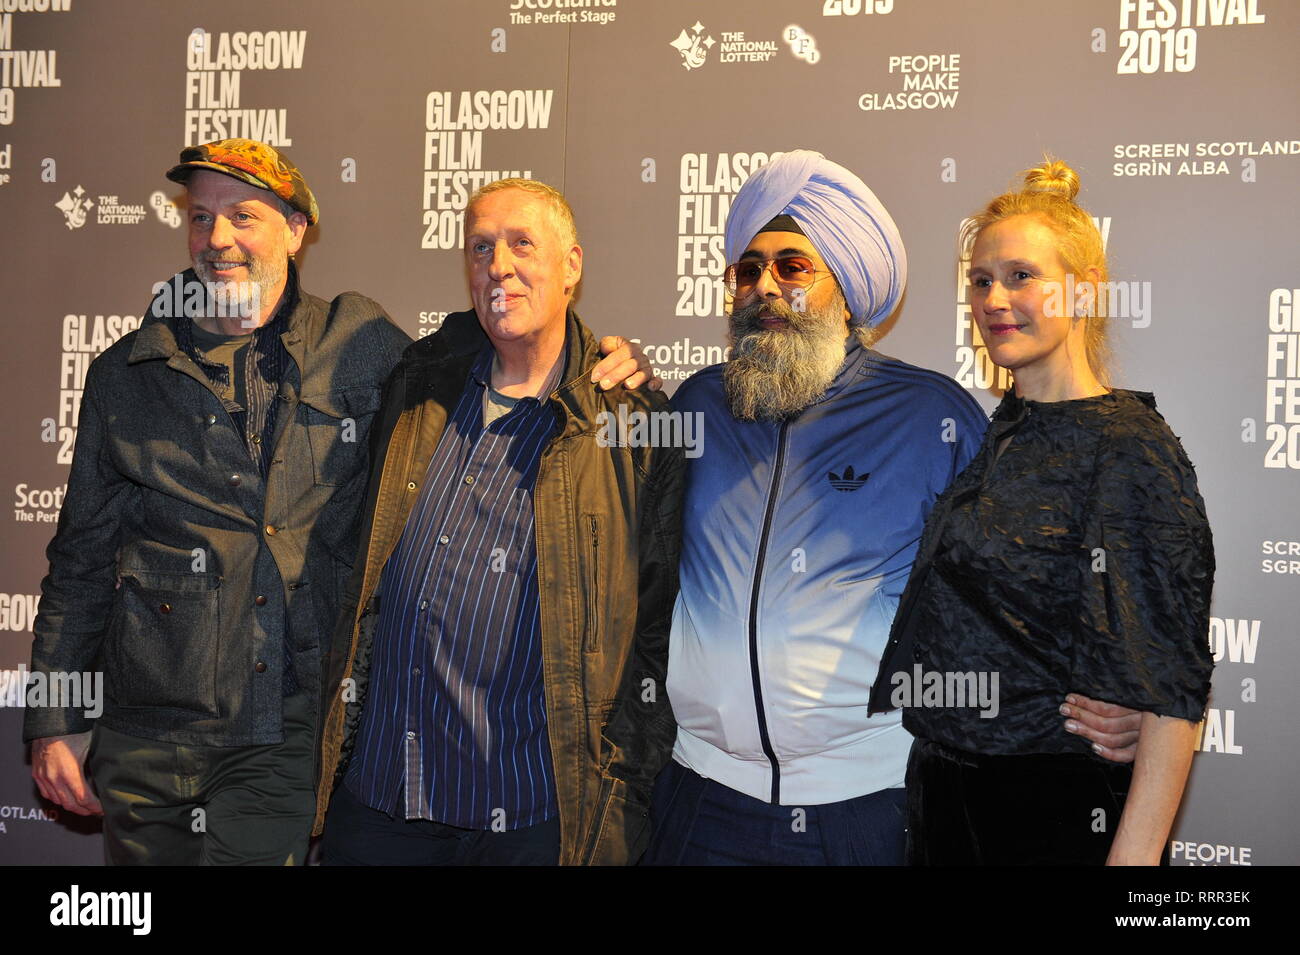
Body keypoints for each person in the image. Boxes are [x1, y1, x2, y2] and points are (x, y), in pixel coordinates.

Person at [24, 141, 655, 866]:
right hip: (148, 729)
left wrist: (603, 359)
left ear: (296, 230)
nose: (219, 238)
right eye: (201, 217)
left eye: (243, 216)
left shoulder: (360, 344)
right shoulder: (126, 372)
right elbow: (80, 557)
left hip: (283, 728)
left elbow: (492, 344)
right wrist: (55, 715)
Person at [643, 149, 1137, 866]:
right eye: (747, 270)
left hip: (864, 809)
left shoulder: (929, 415)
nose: (764, 287)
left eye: (792, 267)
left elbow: (1020, 584)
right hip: (698, 799)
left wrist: (1108, 692)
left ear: (847, 292)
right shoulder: (695, 407)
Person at [314, 178, 684, 866]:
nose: (499, 267)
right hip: (381, 802)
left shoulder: (631, 429)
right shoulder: (419, 383)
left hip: (529, 817)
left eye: (522, 244)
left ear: (572, 265)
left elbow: (658, 629)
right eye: (481, 247)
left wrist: (620, 779)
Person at [871, 159, 1215, 866]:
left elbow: (1172, 683)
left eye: (1021, 276)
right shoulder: (1006, 428)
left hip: (1047, 809)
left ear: (1083, 290)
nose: (994, 298)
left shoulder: (1128, 444)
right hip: (946, 795)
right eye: (980, 280)